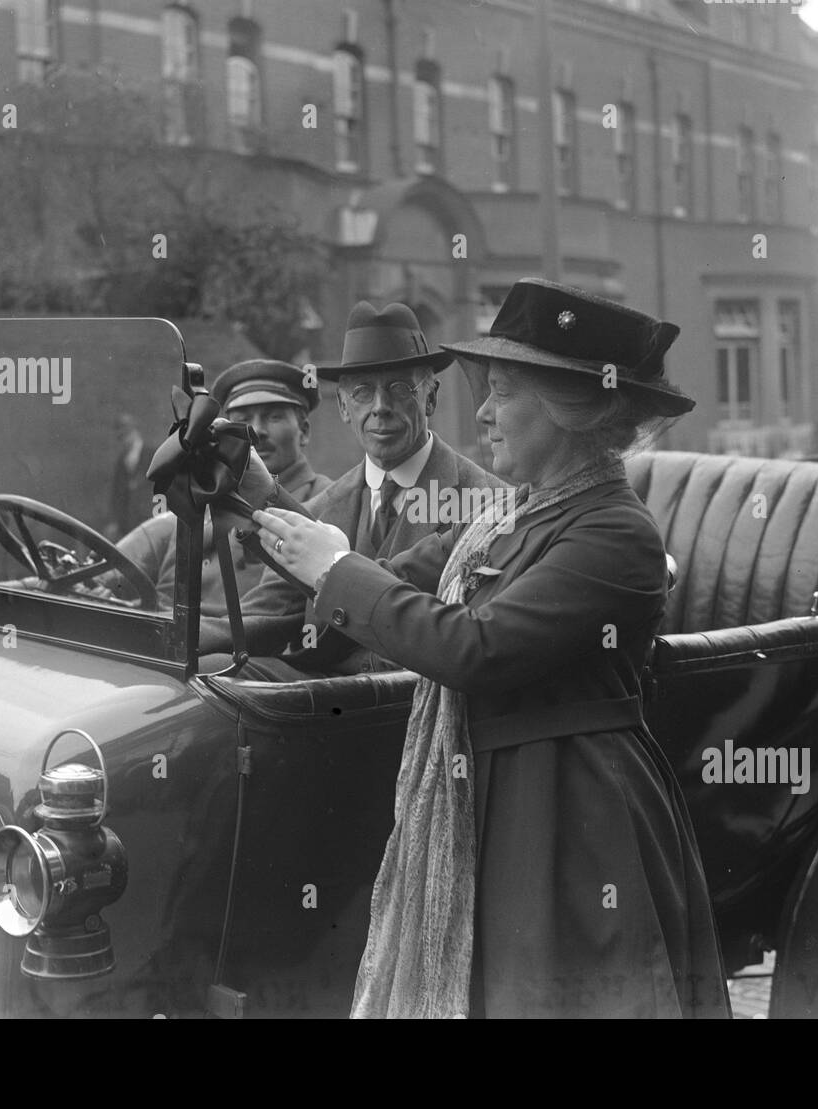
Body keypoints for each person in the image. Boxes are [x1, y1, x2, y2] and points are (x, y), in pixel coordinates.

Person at [251, 278, 730, 1018]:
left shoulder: (614, 531)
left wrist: (335, 569)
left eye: (501, 392)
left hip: (571, 817)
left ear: (569, 410)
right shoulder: (510, 517)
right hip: (498, 796)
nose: (480, 412)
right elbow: (386, 583)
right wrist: (258, 508)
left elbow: (474, 648)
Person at [200, 301, 502, 675]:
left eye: (399, 388)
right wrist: (159, 636)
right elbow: (263, 616)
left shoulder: (486, 502)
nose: (380, 407)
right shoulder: (320, 508)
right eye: (362, 392)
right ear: (342, 406)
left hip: (419, 711)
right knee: (209, 672)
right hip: (329, 716)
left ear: (431, 398)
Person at [108, 360, 330, 613]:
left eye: (274, 417)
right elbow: (117, 579)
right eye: (243, 419)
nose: (257, 430)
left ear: (304, 431)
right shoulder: (195, 505)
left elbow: (273, 614)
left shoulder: (325, 506)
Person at [105, 413, 155, 541]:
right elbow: (117, 495)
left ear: (135, 431)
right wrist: (115, 522)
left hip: (151, 521)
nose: (124, 440)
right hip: (129, 526)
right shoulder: (121, 463)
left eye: (126, 434)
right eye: (120, 437)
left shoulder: (152, 455)